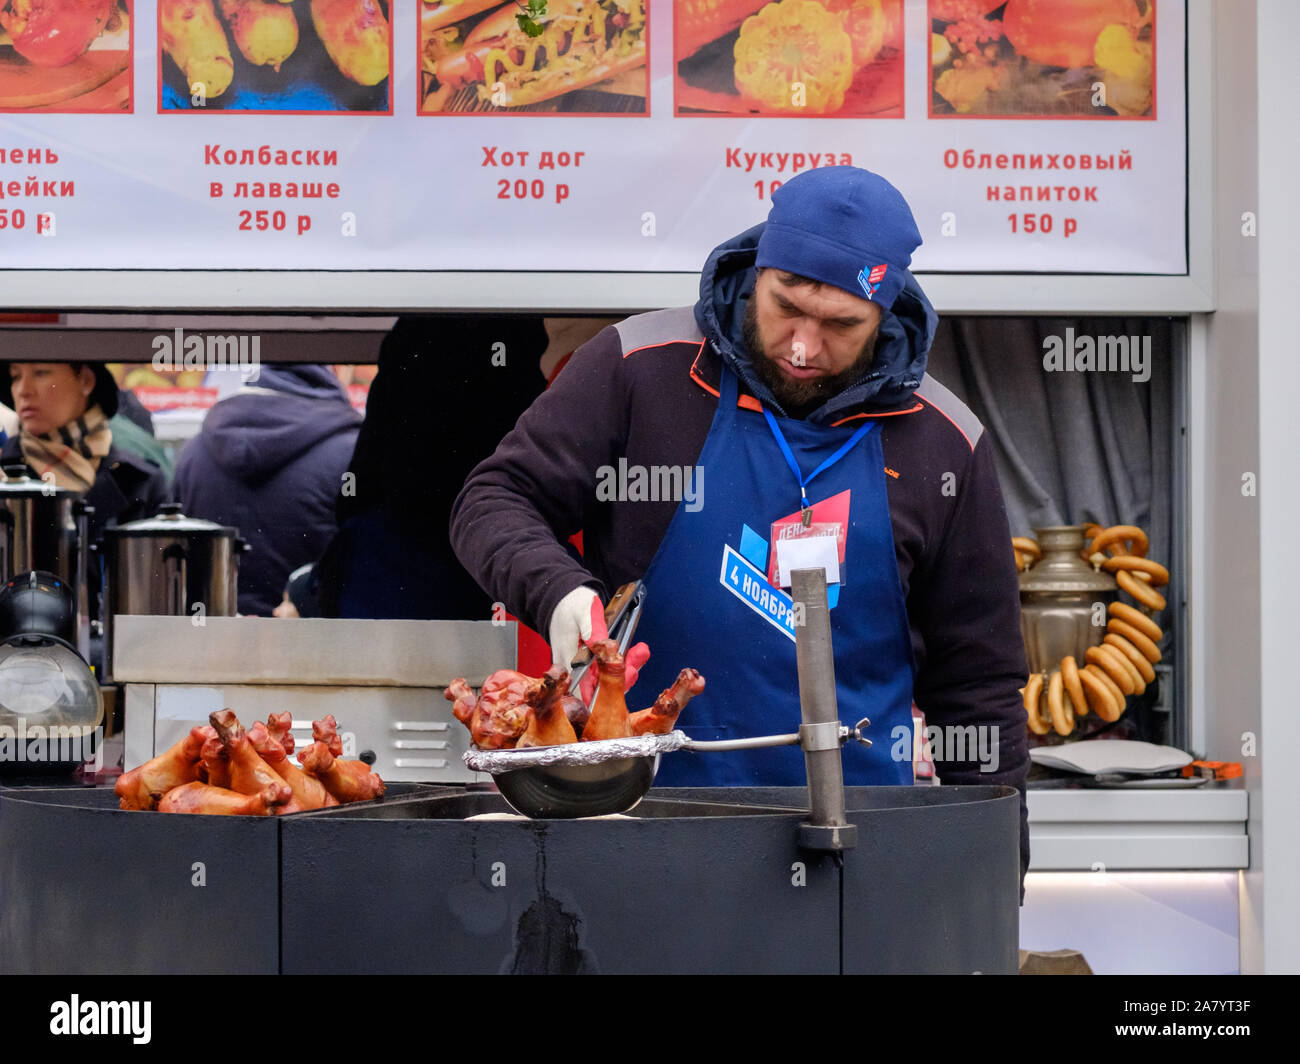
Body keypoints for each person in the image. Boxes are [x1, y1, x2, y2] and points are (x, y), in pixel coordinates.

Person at [451, 167, 1030, 884]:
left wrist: (994, 877)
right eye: (785, 306)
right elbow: (494, 497)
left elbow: (980, 682)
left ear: (886, 313)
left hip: (858, 844)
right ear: (756, 271)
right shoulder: (642, 369)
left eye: (842, 325)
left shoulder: (945, 441)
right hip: (638, 833)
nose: (802, 347)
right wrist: (557, 588)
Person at [173, 364, 361, 617]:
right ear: (337, 371)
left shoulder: (193, 453)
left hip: (213, 643)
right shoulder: (351, 452)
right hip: (318, 647)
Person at [2, 362, 170, 542]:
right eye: (16, 377)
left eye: (40, 373)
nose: (23, 390)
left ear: (86, 380)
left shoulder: (140, 481)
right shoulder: (4, 474)